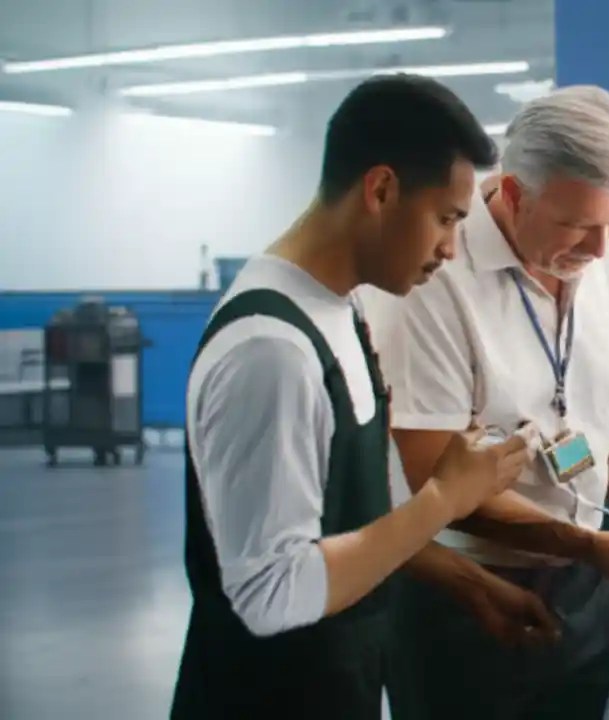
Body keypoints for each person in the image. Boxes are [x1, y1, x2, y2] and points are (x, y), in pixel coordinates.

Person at [169, 74, 549, 720]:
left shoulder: (338, 313)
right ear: (380, 190)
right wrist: (445, 500)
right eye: (446, 219)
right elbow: (271, 592)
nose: (450, 249)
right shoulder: (272, 351)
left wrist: (467, 582)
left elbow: (349, 528)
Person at [369, 85, 609, 720]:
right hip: (468, 593)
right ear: (513, 194)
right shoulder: (435, 277)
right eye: (575, 225)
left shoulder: (602, 260)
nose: (598, 249)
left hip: (590, 573)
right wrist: (595, 549)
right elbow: (431, 467)